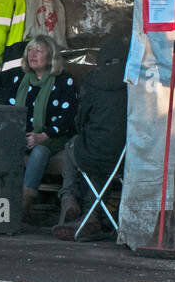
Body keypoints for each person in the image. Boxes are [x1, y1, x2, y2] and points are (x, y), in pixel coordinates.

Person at [53, 36, 129, 241]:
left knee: (75, 147)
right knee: (98, 160)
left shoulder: (93, 81)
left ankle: (69, 199)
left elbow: (80, 119)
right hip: (125, 159)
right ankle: (91, 216)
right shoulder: (133, 83)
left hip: (93, 153)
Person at [8, 35, 78, 223]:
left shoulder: (64, 80)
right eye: (30, 50)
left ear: (51, 56)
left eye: (38, 51)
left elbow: (69, 118)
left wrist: (42, 136)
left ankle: (23, 204)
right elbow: (8, 111)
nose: (32, 54)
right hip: (21, 133)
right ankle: (4, 199)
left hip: (54, 135)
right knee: (5, 147)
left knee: (39, 152)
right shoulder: (19, 78)